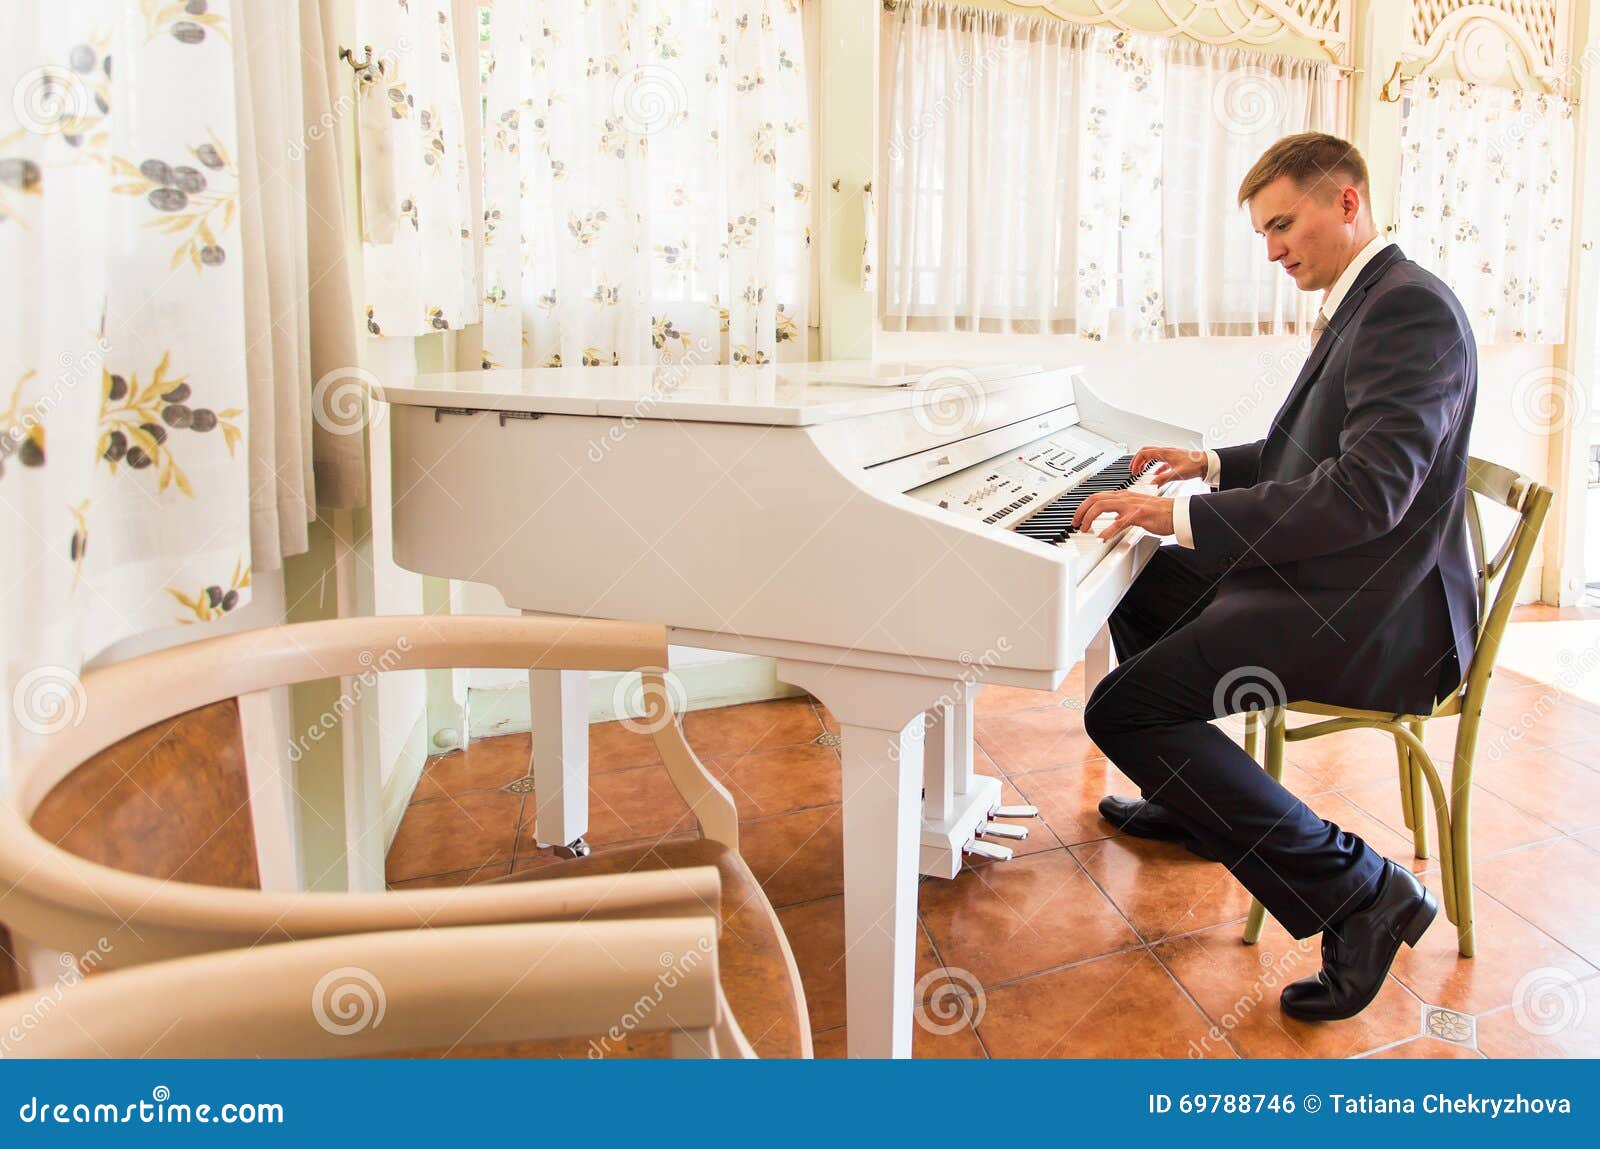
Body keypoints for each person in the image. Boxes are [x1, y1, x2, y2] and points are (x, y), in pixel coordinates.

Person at [1072, 132, 1478, 1021]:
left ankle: (1361, 892)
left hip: (1380, 610)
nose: (1273, 250)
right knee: (1143, 586)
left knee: (1120, 708)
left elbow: (1365, 494)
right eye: (1263, 232)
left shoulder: (1413, 312)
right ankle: (1189, 798)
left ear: (1347, 202)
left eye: (1284, 224)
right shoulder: (1368, 298)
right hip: (1344, 579)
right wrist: (1208, 465)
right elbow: (1313, 454)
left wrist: (1178, 516)